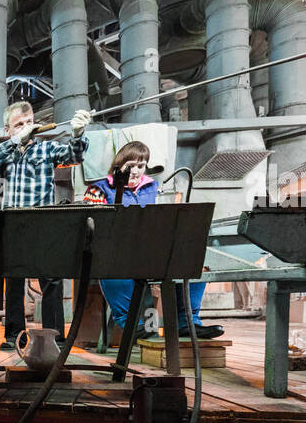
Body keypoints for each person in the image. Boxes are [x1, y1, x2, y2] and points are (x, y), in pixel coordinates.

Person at [84, 141, 223, 340]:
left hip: (149, 252)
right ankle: (131, 324)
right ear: (119, 164)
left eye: (141, 166)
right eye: (130, 165)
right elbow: (93, 226)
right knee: (111, 267)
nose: (136, 171)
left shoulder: (153, 189)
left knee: (194, 265)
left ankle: (187, 322)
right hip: (116, 253)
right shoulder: (99, 189)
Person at [0, 101, 90, 351]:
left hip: (43, 223)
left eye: (29, 122)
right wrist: (14, 143)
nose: (26, 127)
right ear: (8, 130)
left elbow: (74, 156)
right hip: (14, 224)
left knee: (51, 280)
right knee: (15, 280)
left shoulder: (47, 149)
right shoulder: (5, 152)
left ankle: (55, 337)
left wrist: (77, 134)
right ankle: (14, 336)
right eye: (19, 124)